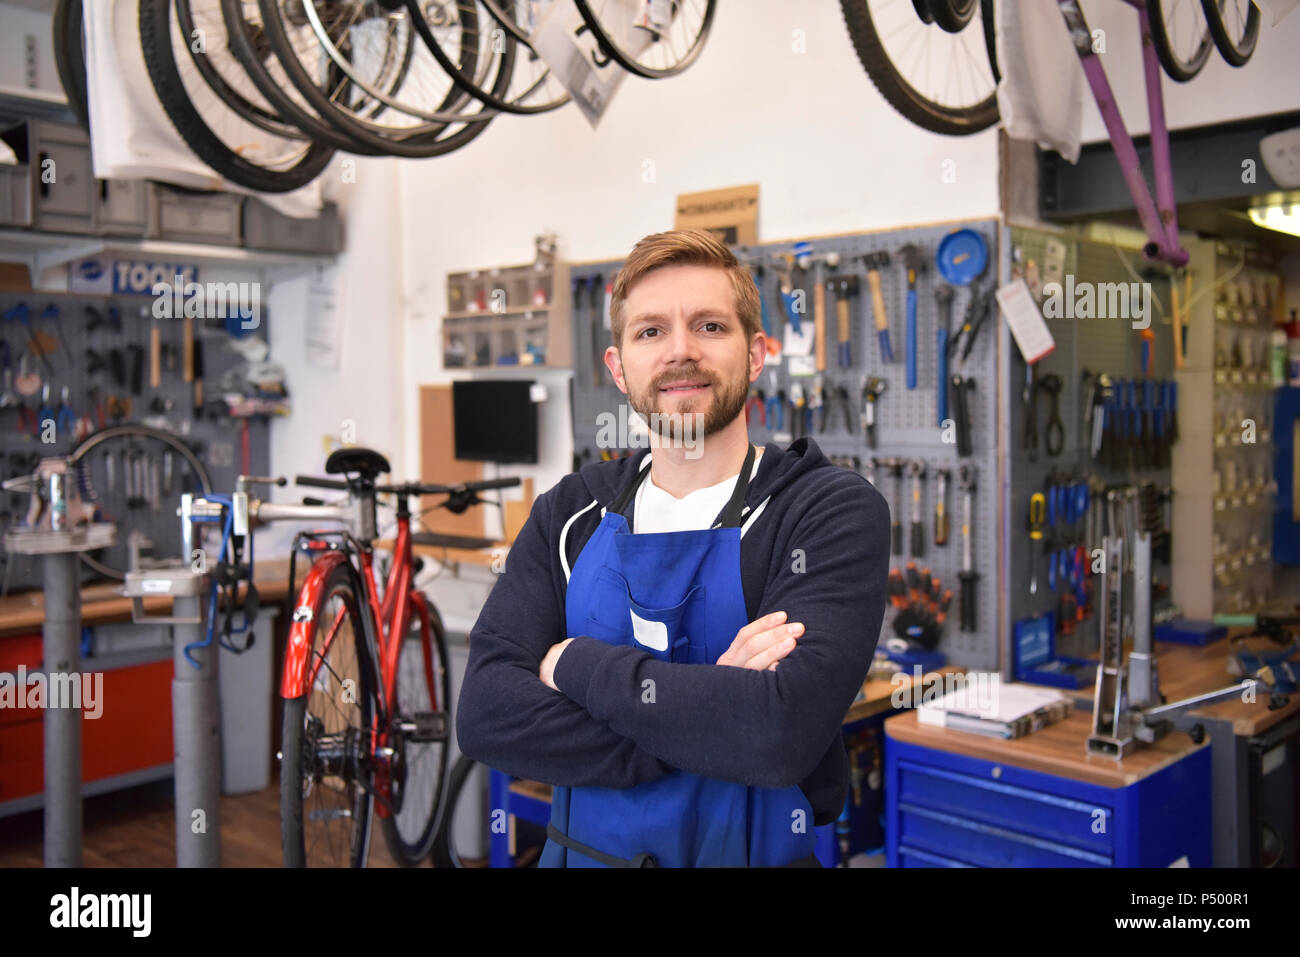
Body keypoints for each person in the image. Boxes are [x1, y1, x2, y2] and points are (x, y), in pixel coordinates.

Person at [457, 228, 890, 867]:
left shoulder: (825, 511)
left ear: (756, 353)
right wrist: (710, 714)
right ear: (618, 366)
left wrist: (574, 666)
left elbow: (777, 733)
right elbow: (487, 714)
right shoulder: (570, 512)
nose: (681, 351)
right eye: (651, 331)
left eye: (710, 327)